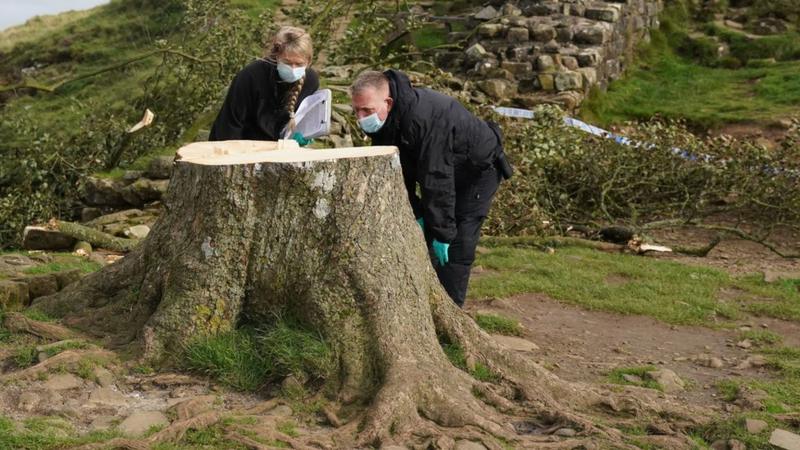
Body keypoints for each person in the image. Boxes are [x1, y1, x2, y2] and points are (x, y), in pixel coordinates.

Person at [350, 70, 512, 307]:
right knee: (425, 231)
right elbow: (396, 172)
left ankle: (450, 312)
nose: (361, 117)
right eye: (357, 110)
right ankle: (420, 300)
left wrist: (443, 232)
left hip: (477, 171)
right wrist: (416, 212)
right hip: (445, 169)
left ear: (388, 102)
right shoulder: (386, 122)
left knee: (457, 243)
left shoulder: (423, 118)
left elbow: (436, 176)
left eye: (367, 111)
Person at [209, 26, 319, 145]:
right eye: (287, 62)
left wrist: (304, 135)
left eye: (299, 64)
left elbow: (304, 117)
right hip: (242, 144)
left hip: (279, 149)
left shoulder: (310, 81)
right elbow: (230, 125)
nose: (293, 69)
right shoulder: (250, 76)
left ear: (308, 62)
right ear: (276, 56)